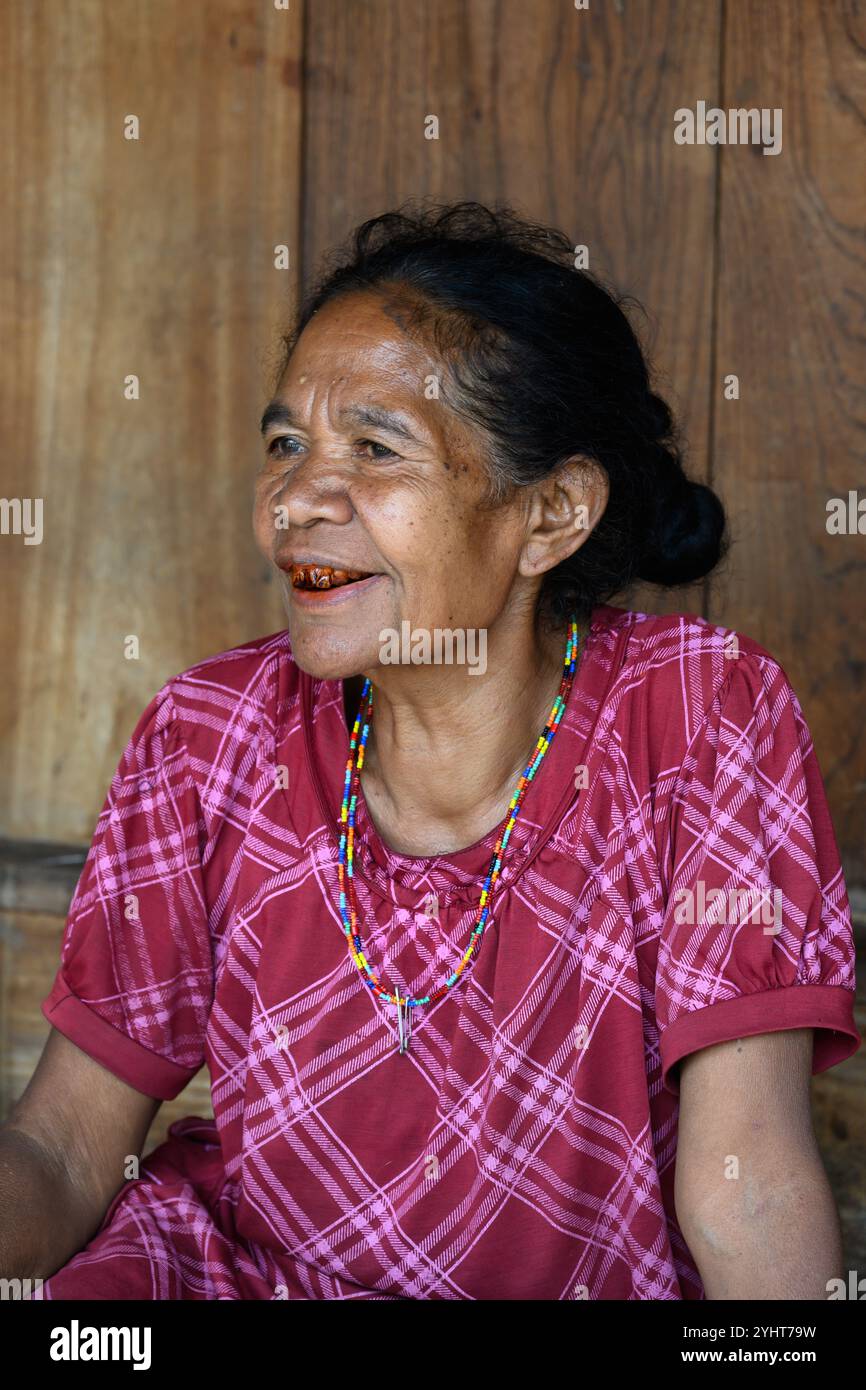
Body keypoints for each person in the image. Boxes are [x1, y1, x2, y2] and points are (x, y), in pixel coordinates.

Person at [1, 202, 859, 1300]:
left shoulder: (696, 716)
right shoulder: (209, 734)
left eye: (373, 447)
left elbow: (741, 1183)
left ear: (549, 513)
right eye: (286, 444)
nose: (297, 498)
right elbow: (68, 1151)